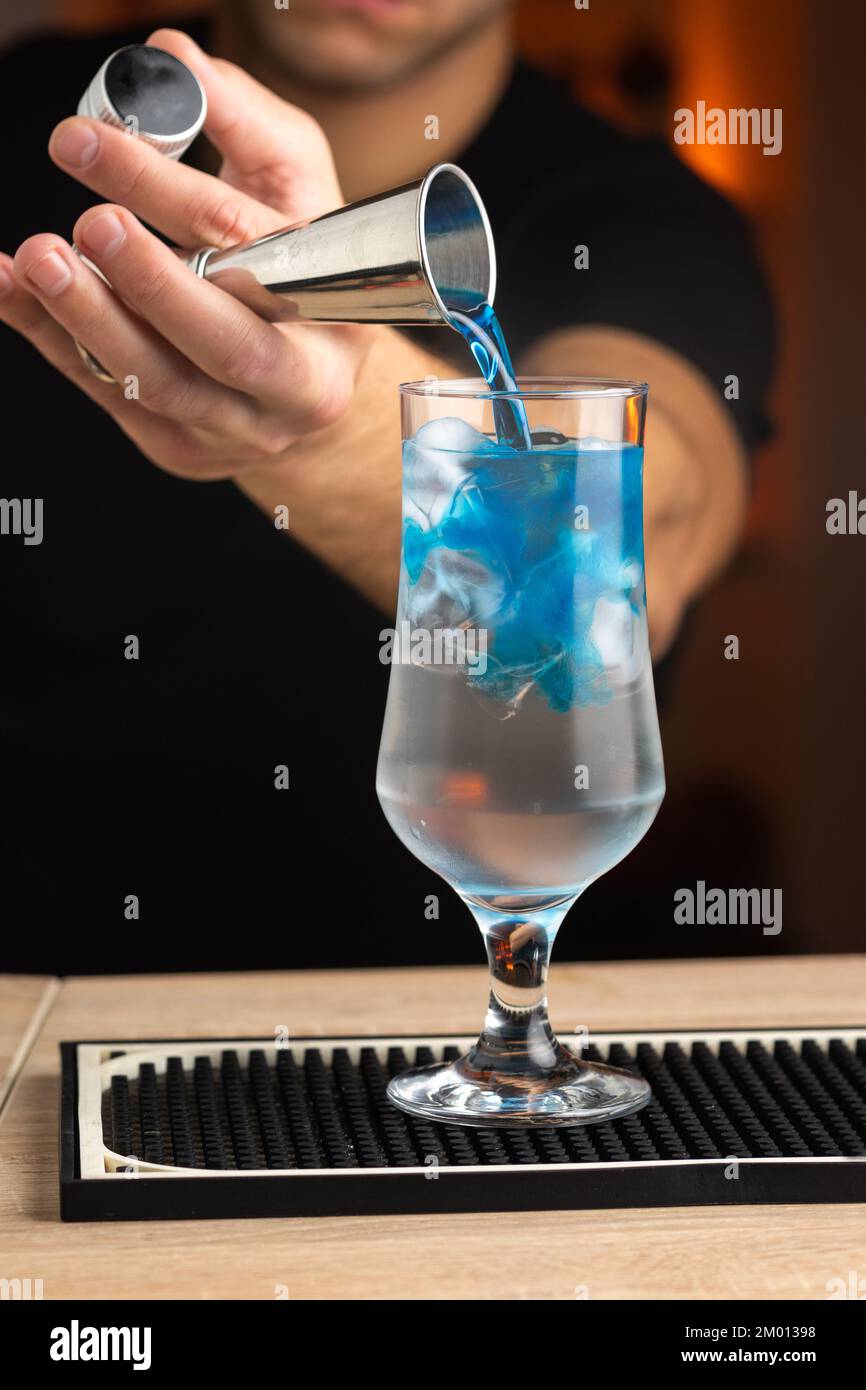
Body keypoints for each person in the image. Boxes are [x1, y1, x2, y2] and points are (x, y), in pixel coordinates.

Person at [0, 2, 774, 973]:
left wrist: (331, 416)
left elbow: (639, 531)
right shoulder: (31, 114)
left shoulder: (645, 221)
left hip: (392, 1043)